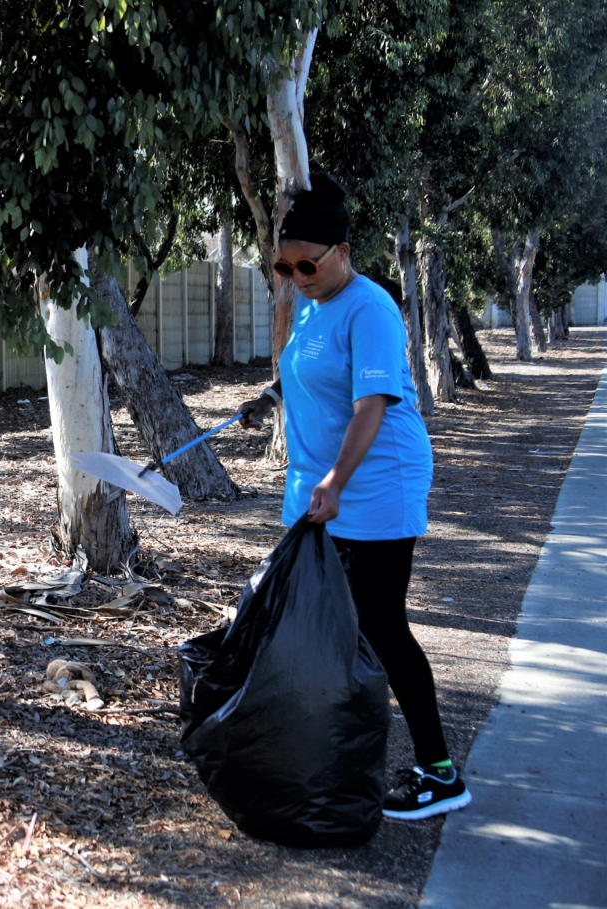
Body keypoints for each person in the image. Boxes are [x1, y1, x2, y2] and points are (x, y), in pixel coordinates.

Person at [239, 174, 471, 821]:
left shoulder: (371, 307)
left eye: (306, 263)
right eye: (284, 266)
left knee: (380, 625)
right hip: (321, 490)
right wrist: (268, 399)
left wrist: (336, 481)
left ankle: (441, 771)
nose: (295, 275)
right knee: (327, 623)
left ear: (343, 250)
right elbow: (307, 370)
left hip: (373, 485)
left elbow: (372, 402)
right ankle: (332, 752)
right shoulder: (311, 307)